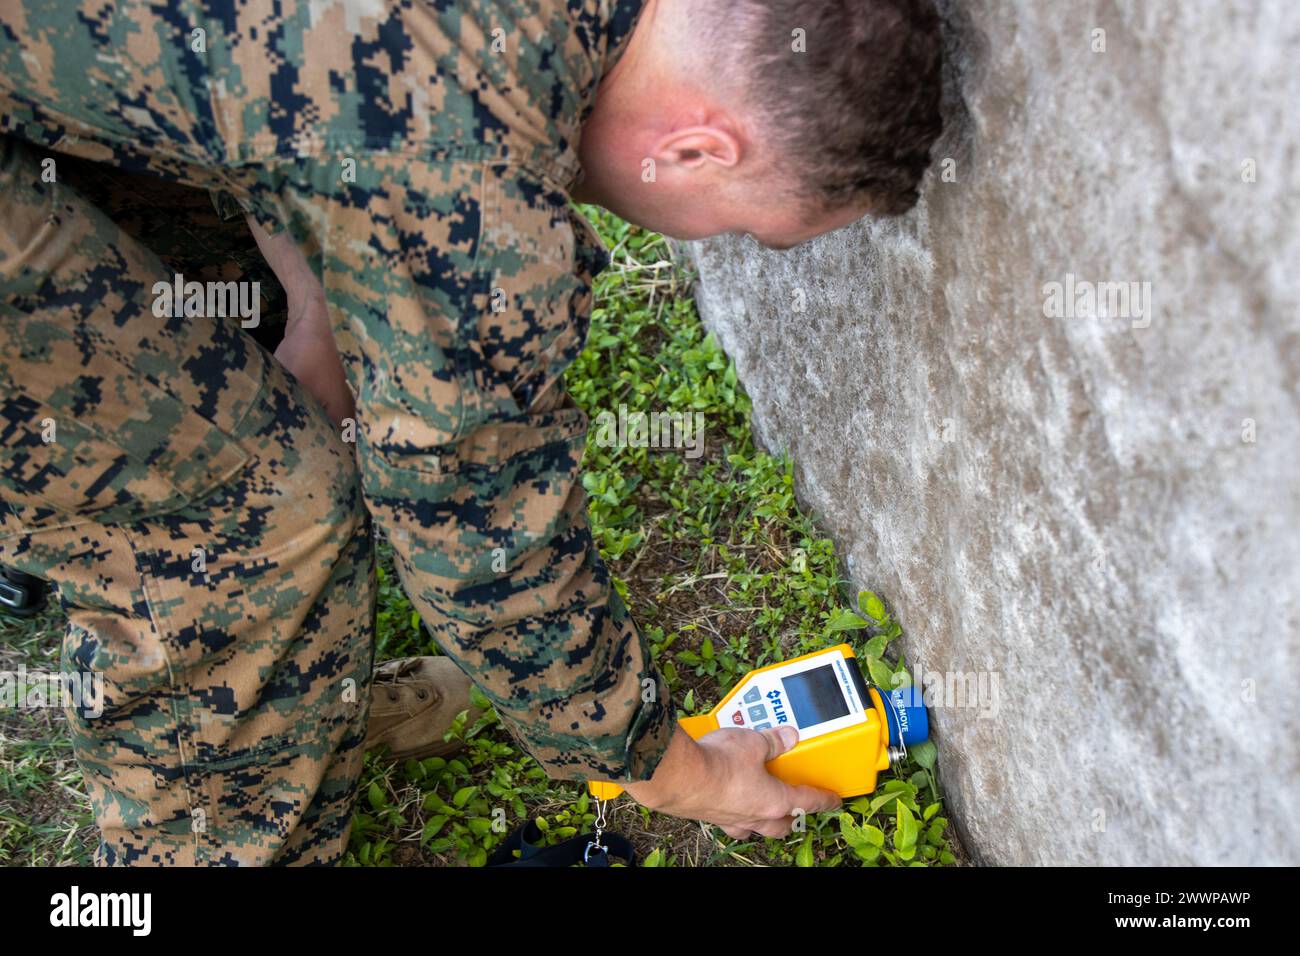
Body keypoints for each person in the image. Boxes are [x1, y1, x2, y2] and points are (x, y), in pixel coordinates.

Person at [0, 0, 944, 864]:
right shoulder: (477, 178)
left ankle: (301, 704)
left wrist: (315, 301)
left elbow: (265, 84)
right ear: (700, 149)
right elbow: (482, 552)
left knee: (219, 284)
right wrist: (689, 776)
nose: (717, 242)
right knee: (258, 515)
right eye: (743, 231)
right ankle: (219, 792)